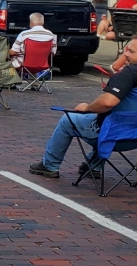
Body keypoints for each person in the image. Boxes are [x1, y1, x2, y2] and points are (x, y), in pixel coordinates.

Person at [29, 38, 137, 180]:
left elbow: (107, 103)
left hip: (115, 135)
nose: (126, 54)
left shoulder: (130, 73)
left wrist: (87, 108)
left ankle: (50, 165)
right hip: (133, 136)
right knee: (111, 120)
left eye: (131, 51)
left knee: (68, 120)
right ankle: (93, 166)